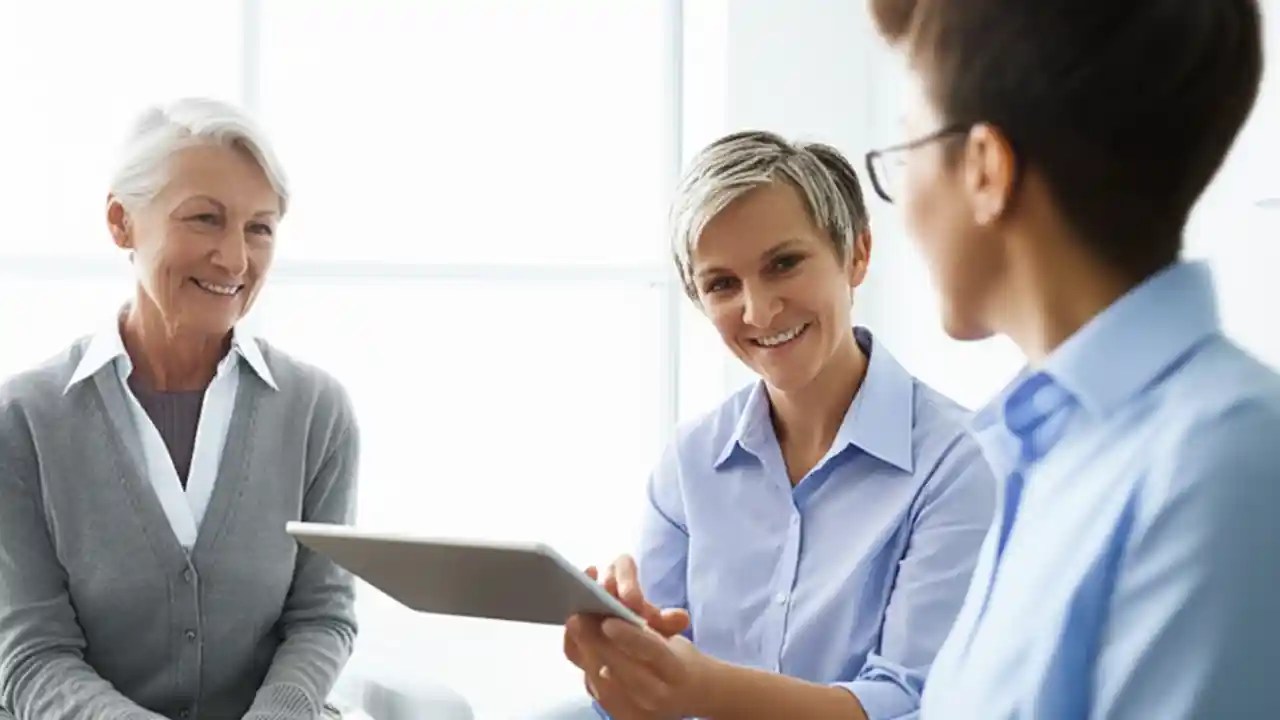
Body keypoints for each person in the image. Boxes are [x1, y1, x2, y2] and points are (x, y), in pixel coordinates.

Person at [867, 1, 1279, 718]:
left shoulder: (1222, 466)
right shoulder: (1043, 450)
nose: (901, 207)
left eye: (905, 151)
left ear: (986, 169)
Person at [549, 131, 995, 720]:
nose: (758, 312)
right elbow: (650, 694)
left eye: (783, 264)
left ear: (856, 254)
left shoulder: (959, 461)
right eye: (722, 285)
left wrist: (701, 690)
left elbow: (910, 704)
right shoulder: (691, 459)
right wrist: (619, 667)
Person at [0, 98, 358, 720]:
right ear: (121, 222)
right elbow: (32, 654)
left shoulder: (316, 412)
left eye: (259, 228)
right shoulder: (24, 420)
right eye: (205, 219)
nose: (235, 260)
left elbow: (322, 616)